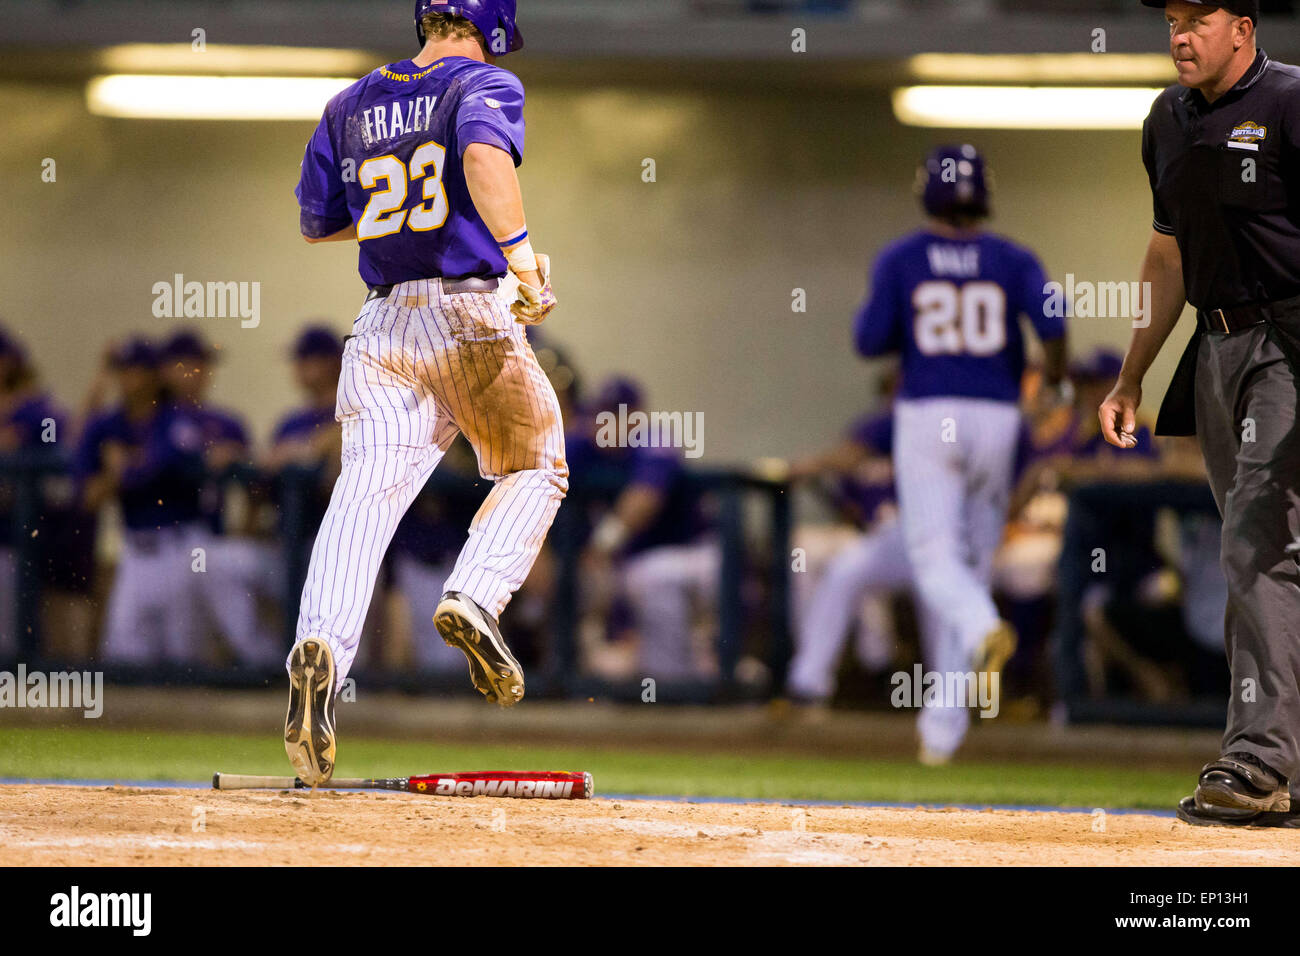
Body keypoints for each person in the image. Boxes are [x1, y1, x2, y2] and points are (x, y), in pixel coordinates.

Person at [285, 0, 565, 786]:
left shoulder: (350, 102)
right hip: (467, 309)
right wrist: (520, 260)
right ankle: (475, 597)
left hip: (380, 326)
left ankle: (322, 658)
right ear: (492, 25)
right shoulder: (484, 82)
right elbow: (483, 159)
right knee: (535, 466)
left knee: (361, 501)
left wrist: (402, 212)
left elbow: (317, 222)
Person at [1101, 0, 1300, 826]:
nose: (1179, 35)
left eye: (1198, 18)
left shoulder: (1289, 101)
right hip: (1216, 351)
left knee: (1254, 541)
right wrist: (1129, 377)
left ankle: (1257, 760)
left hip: (1290, 341)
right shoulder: (1166, 120)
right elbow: (1167, 251)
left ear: (1244, 27)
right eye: (1172, 19)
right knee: (1268, 548)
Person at [854, 144, 1068, 733]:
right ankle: (944, 724)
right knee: (972, 560)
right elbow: (1054, 322)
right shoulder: (1012, 257)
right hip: (997, 415)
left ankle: (979, 628)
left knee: (933, 560)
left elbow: (870, 341)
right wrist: (1050, 381)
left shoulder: (902, 257)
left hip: (928, 412)